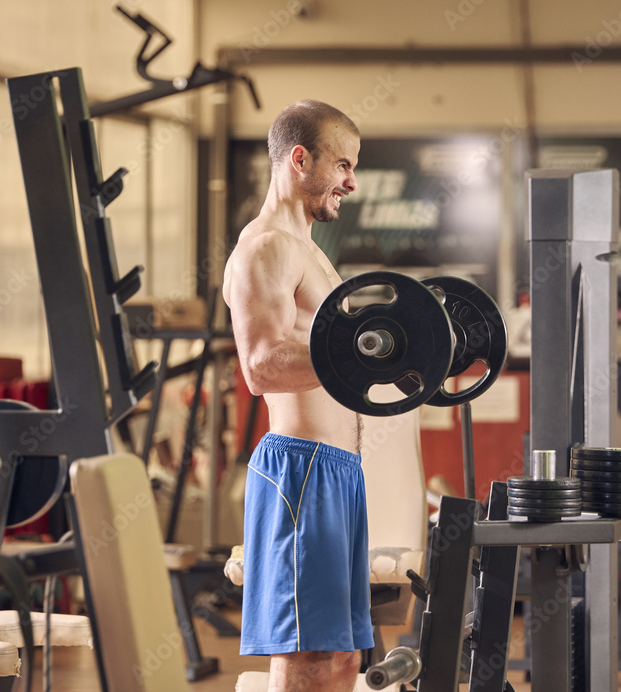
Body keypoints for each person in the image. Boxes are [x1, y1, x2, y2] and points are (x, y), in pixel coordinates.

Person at [223, 99, 368, 691]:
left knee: (340, 658)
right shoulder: (266, 248)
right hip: (301, 471)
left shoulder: (310, 252)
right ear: (300, 159)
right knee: (305, 655)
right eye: (342, 165)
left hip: (338, 472)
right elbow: (261, 366)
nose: (351, 182)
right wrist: (364, 355)